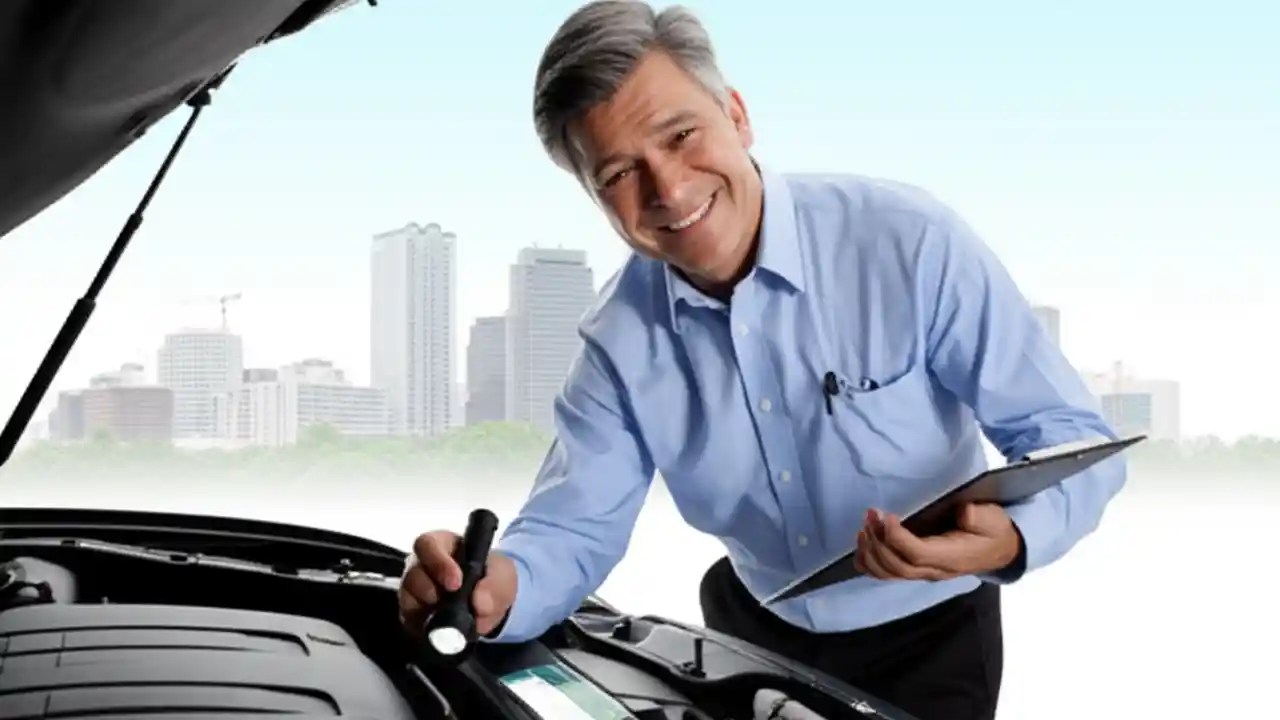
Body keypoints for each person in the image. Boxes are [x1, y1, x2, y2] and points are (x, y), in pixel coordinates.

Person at [398, 2, 1127, 718]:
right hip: (747, 638)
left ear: (737, 114)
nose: (670, 189)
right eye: (619, 174)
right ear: (593, 198)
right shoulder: (617, 341)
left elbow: (1072, 438)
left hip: (934, 637)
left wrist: (1013, 539)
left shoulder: (910, 243)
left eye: (681, 134)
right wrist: (495, 589)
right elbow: (572, 529)